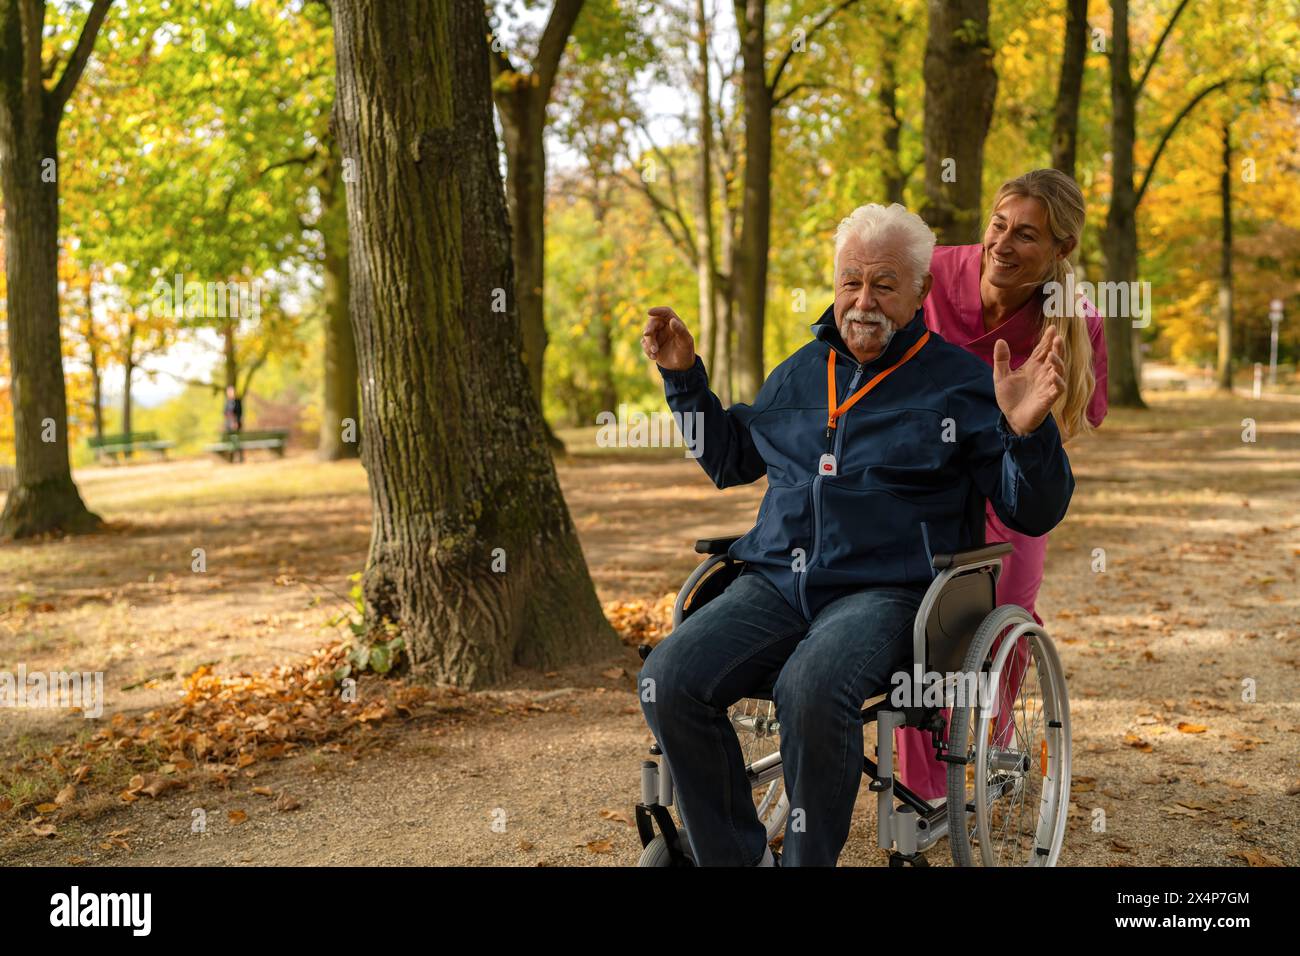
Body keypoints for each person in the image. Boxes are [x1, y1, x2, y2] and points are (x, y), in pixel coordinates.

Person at [637, 202, 1075, 866]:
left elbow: (1030, 510)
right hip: (777, 582)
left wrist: (1026, 432)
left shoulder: (961, 385)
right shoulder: (800, 372)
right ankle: (732, 855)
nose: (862, 300)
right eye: (851, 281)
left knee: (812, 686)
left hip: (886, 593)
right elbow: (729, 459)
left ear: (923, 291)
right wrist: (682, 380)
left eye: (884, 283)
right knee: (667, 677)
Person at [893, 169, 1109, 805]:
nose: (1004, 244)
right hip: (917, 474)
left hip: (1006, 475)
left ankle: (988, 735)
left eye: (1028, 236)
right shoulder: (927, 274)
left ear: (1060, 251)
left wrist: (1015, 433)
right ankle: (925, 785)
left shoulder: (1074, 321)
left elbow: (1068, 428)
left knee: (1008, 601)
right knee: (924, 614)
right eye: (999, 225)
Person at [223, 385, 245, 464]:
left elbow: (240, 413)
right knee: (231, 441)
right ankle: (231, 458)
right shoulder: (227, 402)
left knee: (237, 440)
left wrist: (236, 422)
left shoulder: (238, 401)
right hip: (229, 426)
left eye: (231, 391)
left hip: (237, 425)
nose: (230, 393)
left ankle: (240, 457)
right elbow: (225, 413)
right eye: (228, 391)